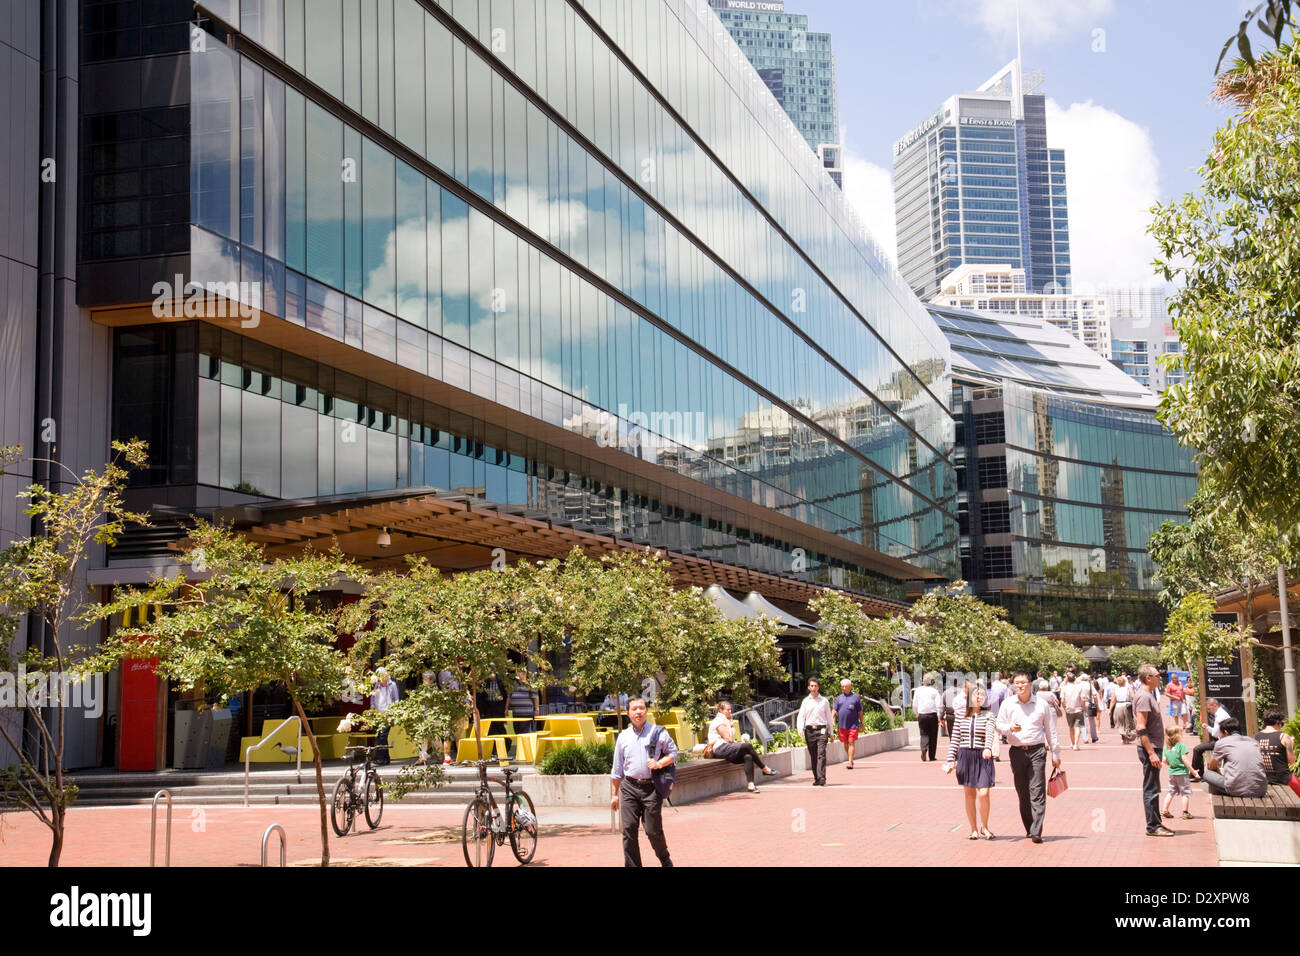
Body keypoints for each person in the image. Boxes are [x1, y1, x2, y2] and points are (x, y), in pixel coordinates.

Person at [610, 695, 676, 867]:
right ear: (628, 713)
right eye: (634, 709)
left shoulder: (658, 732)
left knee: (653, 831)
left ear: (646, 711)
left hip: (652, 788)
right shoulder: (623, 737)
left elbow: (674, 753)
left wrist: (659, 763)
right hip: (630, 787)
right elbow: (617, 769)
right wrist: (614, 795)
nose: (638, 712)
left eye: (641, 708)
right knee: (629, 830)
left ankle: (665, 860)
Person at [995, 671, 1061, 843]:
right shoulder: (1008, 704)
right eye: (1017, 683)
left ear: (1031, 684)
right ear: (1013, 685)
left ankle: (1037, 830)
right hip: (1017, 751)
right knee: (1022, 791)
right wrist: (1009, 728)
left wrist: (1056, 752)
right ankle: (1029, 827)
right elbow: (999, 724)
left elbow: (1050, 729)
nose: (1020, 686)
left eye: (1023, 682)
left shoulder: (1041, 704)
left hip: (1037, 751)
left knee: (1037, 790)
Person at [942, 686, 997, 840]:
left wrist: (987, 748)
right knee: (969, 794)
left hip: (982, 756)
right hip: (965, 755)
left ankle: (985, 826)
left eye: (981, 694)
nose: (979, 696)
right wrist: (950, 760)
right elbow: (955, 739)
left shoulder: (988, 715)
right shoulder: (960, 715)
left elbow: (990, 732)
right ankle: (973, 828)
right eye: (976, 694)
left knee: (984, 793)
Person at [1134, 663, 1174, 836]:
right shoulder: (1144, 697)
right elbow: (1140, 727)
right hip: (1150, 749)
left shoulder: (1148, 695)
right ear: (1148, 678)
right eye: (1158, 676)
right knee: (1151, 788)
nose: (1160, 678)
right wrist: (1151, 752)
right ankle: (1153, 826)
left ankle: (1156, 823)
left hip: (1154, 747)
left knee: (1154, 787)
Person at [709, 700, 776, 792]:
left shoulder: (727, 720)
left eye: (730, 710)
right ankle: (764, 768)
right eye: (727, 710)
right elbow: (727, 738)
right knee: (747, 746)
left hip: (727, 748)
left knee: (748, 757)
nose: (730, 712)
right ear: (721, 710)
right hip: (719, 749)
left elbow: (729, 739)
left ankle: (751, 785)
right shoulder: (719, 721)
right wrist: (738, 743)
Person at [1204, 718, 1268, 797]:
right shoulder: (1253, 742)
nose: (1220, 736)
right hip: (1261, 790)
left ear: (1226, 732)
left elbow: (1212, 766)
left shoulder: (1222, 743)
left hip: (1236, 789)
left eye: (1221, 734)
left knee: (1207, 774)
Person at [1159, 725, 1201, 820]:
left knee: (1171, 792)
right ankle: (1185, 812)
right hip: (1182, 773)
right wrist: (1193, 772)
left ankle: (1164, 810)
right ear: (1177, 736)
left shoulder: (1167, 748)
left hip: (1172, 773)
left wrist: (1171, 763)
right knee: (1185, 793)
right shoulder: (1181, 746)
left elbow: (1164, 760)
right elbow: (1185, 760)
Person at [797, 678, 833, 786]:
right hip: (809, 731)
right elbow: (801, 717)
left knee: (821, 754)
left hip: (822, 730)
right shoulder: (805, 701)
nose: (813, 688)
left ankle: (822, 777)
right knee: (813, 755)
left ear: (818, 687)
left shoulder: (824, 701)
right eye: (811, 686)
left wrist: (831, 732)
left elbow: (829, 718)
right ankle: (817, 778)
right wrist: (799, 730)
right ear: (809, 687)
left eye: (815, 686)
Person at [1256, 709, 1300, 797]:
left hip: (1265, 779)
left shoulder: (1257, 736)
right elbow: (1292, 761)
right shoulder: (1284, 737)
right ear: (1278, 723)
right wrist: (1291, 744)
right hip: (1284, 779)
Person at [1190, 698, 1230, 774]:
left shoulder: (1220, 716)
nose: (1208, 711)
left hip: (1221, 741)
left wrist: (1208, 728)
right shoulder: (1221, 713)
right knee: (1198, 749)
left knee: (1197, 749)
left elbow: (1215, 734)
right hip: (1221, 739)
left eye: (1209, 709)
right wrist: (1208, 728)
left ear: (1214, 706)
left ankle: (1197, 773)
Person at [370, 666, 399, 765]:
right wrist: (372, 709)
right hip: (378, 714)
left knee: (382, 735)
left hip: (388, 714)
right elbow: (372, 699)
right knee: (381, 736)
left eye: (382, 677)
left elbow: (396, 699)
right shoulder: (376, 685)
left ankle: (380, 758)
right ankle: (386, 758)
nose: (381, 679)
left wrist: (394, 712)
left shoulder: (392, 685)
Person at [912, 673, 943, 762]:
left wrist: (916, 713)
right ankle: (932, 756)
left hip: (922, 715)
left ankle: (924, 748)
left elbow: (914, 704)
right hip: (932, 715)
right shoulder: (934, 691)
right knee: (933, 736)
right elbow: (938, 705)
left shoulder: (918, 690)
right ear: (932, 681)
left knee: (923, 734)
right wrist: (939, 716)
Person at [833, 678, 864, 769]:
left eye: (846, 686)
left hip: (853, 725)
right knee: (845, 743)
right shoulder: (839, 698)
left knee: (851, 742)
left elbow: (860, 711)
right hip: (842, 725)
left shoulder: (855, 697)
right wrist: (832, 718)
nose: (844, 688)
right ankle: (851, 758)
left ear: (850, 687)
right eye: (842, 686)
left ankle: (850, 761)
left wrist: (861, 723)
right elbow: (835, 709)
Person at [1059, 672, 1087, 750]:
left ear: (1067, 679)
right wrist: (1083, 707)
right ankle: (1076, 744)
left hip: (1069, 709)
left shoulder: (1064, 688)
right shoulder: (1079, 687)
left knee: (1071, 727)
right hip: (1078, 709)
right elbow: (1082, 699)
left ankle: (1073, 743)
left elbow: (1062, 700)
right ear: (1075, 679)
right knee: (1078, 727)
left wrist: (1064, 707)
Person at [1112, 674, 1135, 744]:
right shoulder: (1128, 688)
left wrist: (1110, 710)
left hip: (1118, 706)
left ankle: (1123, 738)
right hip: (1126, 705)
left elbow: (1113, 700)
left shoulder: (1116, 689)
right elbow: (1133, 696)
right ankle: (1128, 738)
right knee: (1128, 722)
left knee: (1120, 723)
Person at [1081, 674, 1101, 744]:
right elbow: (1095, 695)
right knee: (1092, 721)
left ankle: (1085, 738)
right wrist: (1097, 704)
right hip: (1089, 703)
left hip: (1081, 703)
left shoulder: (1078, 685)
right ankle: (1094, 737)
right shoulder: (1089, 685)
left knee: (1083, 721)